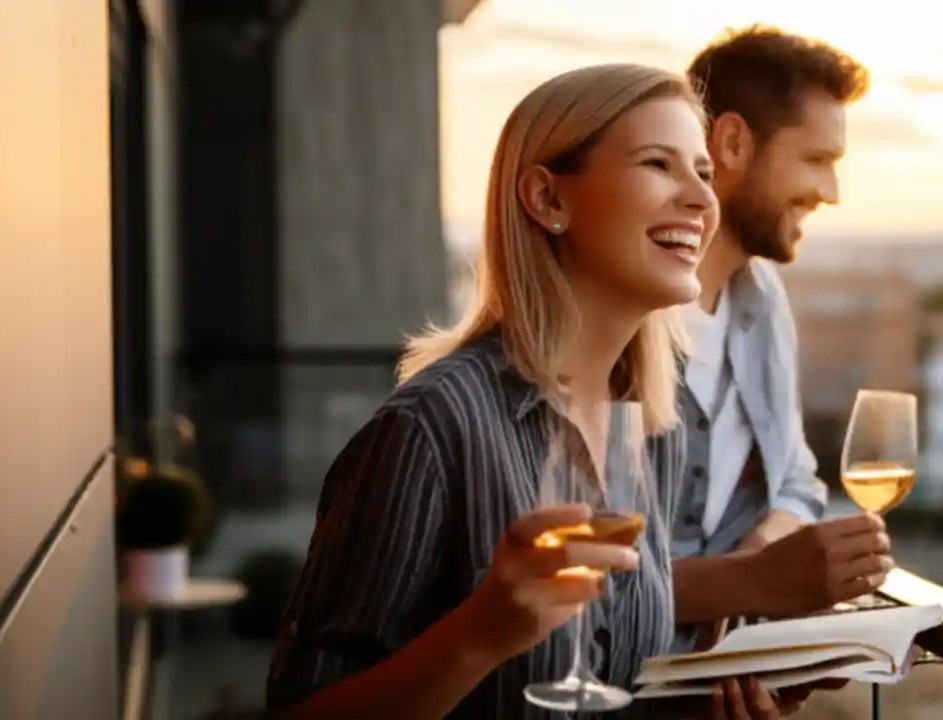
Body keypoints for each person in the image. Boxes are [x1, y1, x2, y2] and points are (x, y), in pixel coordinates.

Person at [265, 63, 718, 719]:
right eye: (659, 164)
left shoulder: (657, 427)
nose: (702, 199)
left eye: (703, 172)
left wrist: (705, 705)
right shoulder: (432, 426)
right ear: (546, 199)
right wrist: (480, 634)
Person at [672, 24, 896, 658]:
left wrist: (751, 579)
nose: (832, 192)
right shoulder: (623, 314)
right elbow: (590, 580)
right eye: (817, 160)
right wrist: (749, 584)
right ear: (734, 142)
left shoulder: (763, 299)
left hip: (712, 671)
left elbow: (797, 484)